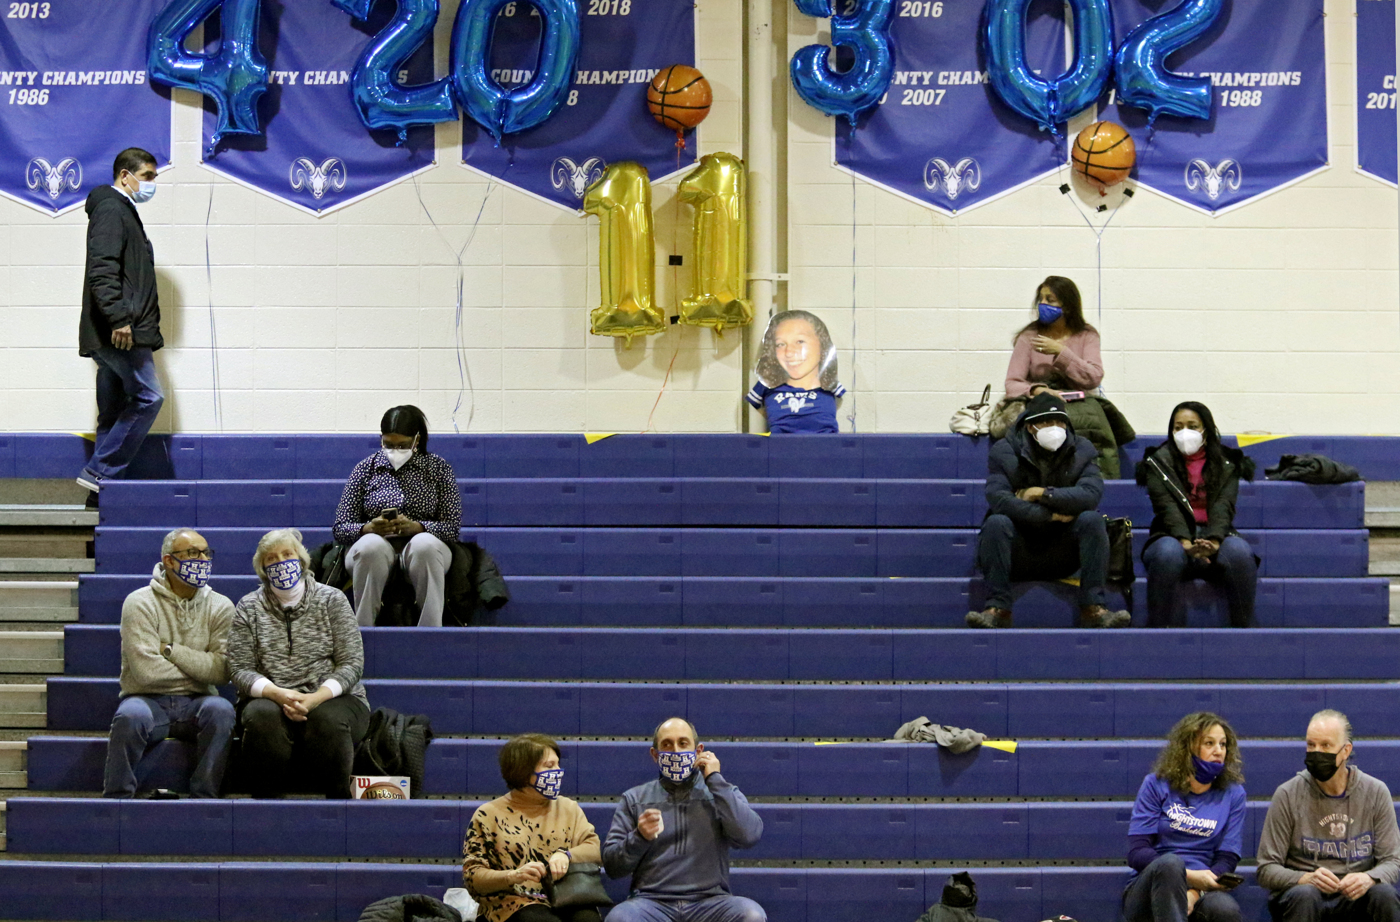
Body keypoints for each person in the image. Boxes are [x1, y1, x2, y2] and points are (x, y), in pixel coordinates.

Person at [966, 391, 1131, 629]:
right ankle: (997, 609)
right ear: (1030, 426)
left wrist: (1041, 493)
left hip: (1063, 551)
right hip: (1018, 551)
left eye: (1060, 421)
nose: (1055, 427)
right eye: (1046, 422)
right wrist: (1051, 515)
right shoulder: (1004, 451)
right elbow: (999, 499)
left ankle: (1093, 608)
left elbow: (1090, 495)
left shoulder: (1082, 450)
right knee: (996, 522)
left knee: (1092, 520)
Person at [227, 528, 369, 799]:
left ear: (301, 559)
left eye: (287, 554)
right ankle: (266, 806)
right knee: (261, 718)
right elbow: (239, 669)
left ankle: (337, 808)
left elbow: (352, 663)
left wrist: (316, 698)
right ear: (262, 568)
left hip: (334, 697)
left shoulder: (332, 599)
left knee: (328, 719)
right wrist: (278, 694)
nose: (280, 562)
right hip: (271, 697)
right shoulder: (248, 607)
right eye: (271, 558)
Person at [104, 528, 234, 798]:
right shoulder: (139, 602)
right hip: (146, 700)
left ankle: (204, 798)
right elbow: (146, 672)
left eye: (205, 553)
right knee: (129, 716)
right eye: (192, 553)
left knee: (221, 711)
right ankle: (117, 799)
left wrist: (171, 651)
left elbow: (222, 671)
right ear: (169, 561)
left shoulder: (221, 606)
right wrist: (201, 671)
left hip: (198, 703)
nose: (202, 560)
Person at [603, 717, 765, 922]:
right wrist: (639, 837)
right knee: (619, 918)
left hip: (711, 902)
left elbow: (749, 836)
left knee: (751, 915)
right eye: (667, 745)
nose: (676, 752)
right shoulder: (634, 799)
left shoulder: (722, 792)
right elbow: (612, 867)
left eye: (683, 743)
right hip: (650, 903)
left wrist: (714, 779)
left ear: (698, 751)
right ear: (655, 755)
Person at [77, 147, 165, 496]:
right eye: (147, 176)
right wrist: (119, 318)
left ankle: (100, 497)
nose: (151, 184)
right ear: (125, 176)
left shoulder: (119, 210)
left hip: (116, 330)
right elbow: (103, 270)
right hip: (120, 332)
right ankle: (100, 472)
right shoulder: (112, 209)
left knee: (112, 413)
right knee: (149, 397)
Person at [1257, 710, 1400, 922]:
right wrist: (1304, 878)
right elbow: (1266, 869)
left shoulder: (1375, 792)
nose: (1316, 752)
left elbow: (1392, 861)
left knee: (1384, 894)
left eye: (1325, 746)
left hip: (1353, 899)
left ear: (1345, 751)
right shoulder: (1287, 794)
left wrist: (1369, 878)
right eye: (1311, 745)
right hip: (1304, 897)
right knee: (1305, 894)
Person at [333, 406, 462, 627]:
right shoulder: (365, 469)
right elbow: (340, 528)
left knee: (425, 545)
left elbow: (452, 527)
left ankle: (431, 631)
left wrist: (418, 527)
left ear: (417, 440)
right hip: (375, 547)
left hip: (423, 547)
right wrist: (367, 529)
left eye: (402, 445)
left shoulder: (439, 469)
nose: (395, 450)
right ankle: (362, 631)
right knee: (370, 546)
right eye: (388, 444)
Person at [1137, 402, 1259, 628]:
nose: (1185, 433)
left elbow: (1224, 505)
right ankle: (1158, 628)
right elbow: (1166, 508)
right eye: (1178, 427)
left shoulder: (1227, 462)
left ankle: (1244, 629)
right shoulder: (1157, 462)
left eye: (1192, 426)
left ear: (1206, 429)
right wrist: (1184, 541)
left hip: (1216, 532)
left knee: (1241, 553)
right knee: (1167, 554)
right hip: (1170, 533)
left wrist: (1214, 540)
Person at [462, 734, 604, 922]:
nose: (558, 771)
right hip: (510, 904)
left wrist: (567, 855)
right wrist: (512, 876)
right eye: (549, 766)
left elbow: (595, 850)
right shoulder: (488, 815)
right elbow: (473, 877)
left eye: (558, 764)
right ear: (523, 772)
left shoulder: (569, 808)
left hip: (566, 896)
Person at [1124, 712, 1247, 922]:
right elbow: (1137, 853)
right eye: (1209, 743)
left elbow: (1227, 858)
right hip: (1151, 888)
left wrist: (1195, 892)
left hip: (1202, 890)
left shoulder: (1233, 794)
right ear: (1188, 747)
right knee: (1171, 865)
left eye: (1223, 744)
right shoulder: (1156, 784)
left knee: (1224, 909)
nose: (1219, 751)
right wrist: (1187, 877)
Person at [1002, 276, 1127, 477]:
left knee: (1095, 428)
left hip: (1079, 402)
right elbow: (1012, 383)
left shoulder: (1087, 335)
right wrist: (1037, 390)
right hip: (1042, 402)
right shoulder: (1029, 336)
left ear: (1067, 306)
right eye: (1041, 299)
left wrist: (1061, 352)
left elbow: (1093, 377)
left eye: (1050, 300)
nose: (1043, 304)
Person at [745, 310, 846, 434]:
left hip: (825, 446)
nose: (789, 352)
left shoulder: (828, 380)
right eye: (780, 344)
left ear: (822, 344)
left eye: (800, 342)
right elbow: (753, 405)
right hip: (781, 447)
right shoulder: (767, 381)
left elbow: (840, 397)